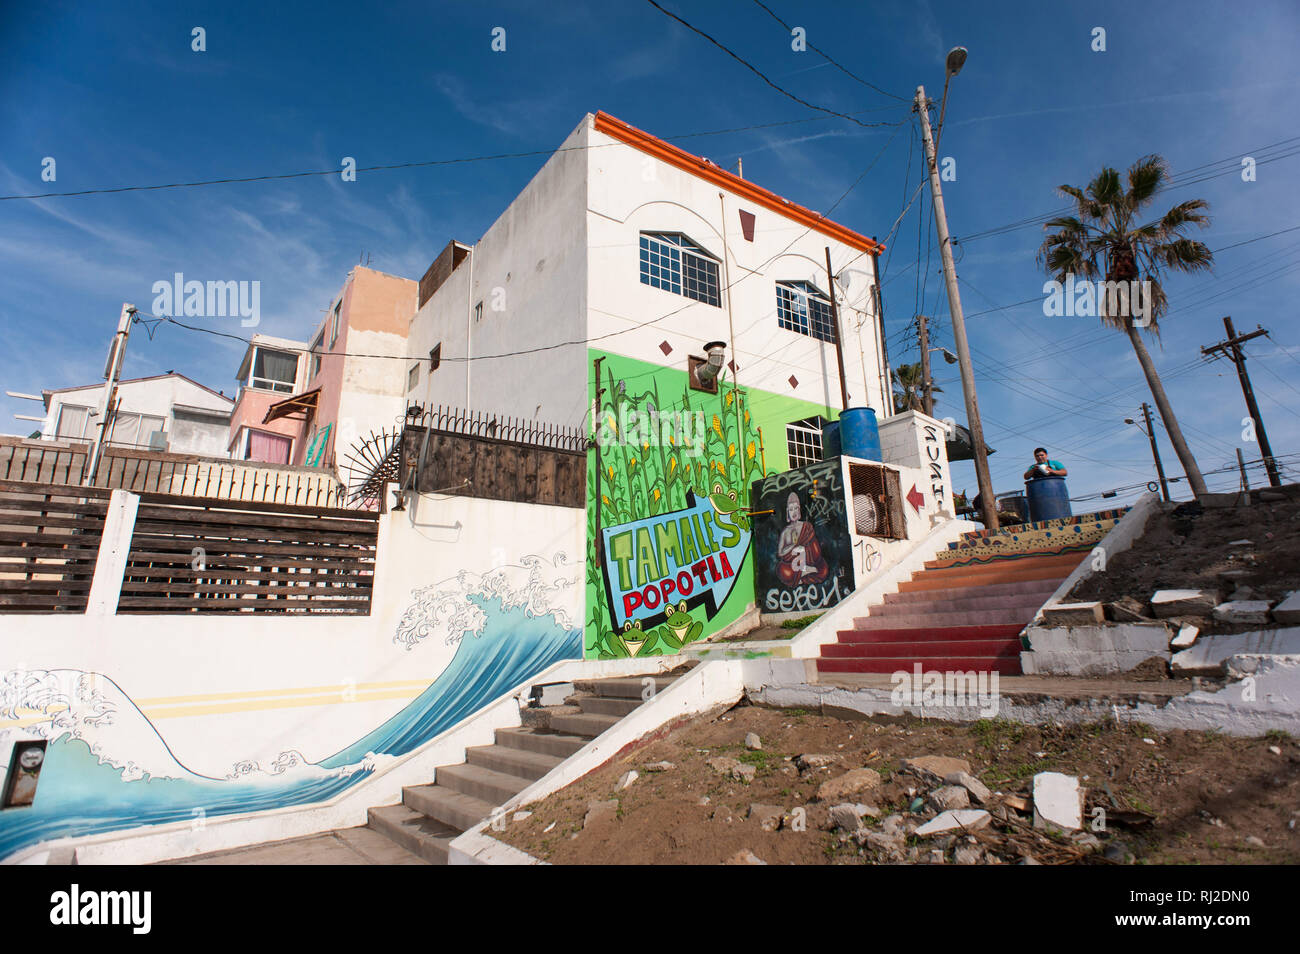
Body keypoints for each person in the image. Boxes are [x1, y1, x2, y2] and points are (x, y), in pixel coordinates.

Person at [775, 491, 828, 586]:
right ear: (787, 512)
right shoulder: (785, 532)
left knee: (823, 570)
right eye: (791, 509)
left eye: (796, 508)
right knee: (781, 570)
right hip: (792, 565)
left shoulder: (806, 526)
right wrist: (792, 547)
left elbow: (814, 549)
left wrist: (804, 549)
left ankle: (805, 571)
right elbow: (780, 553)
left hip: (808, 562)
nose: (794, 512)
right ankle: (801, 574)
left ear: (799, 510)